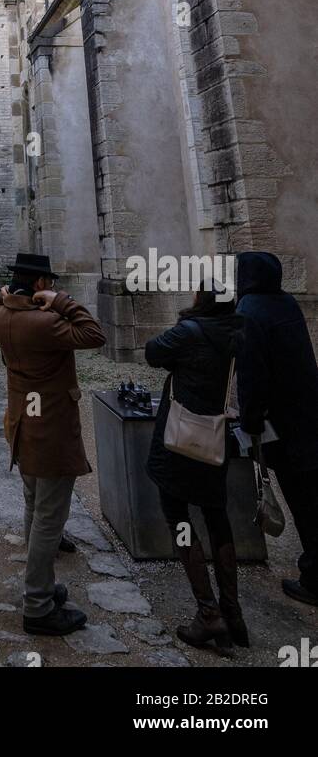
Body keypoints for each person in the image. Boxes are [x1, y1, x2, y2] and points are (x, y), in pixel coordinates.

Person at [0, 253, 106, 637]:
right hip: (51, 429)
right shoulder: (44, 323)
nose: (53, 288)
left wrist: (11, 298)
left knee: (33, 505)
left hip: (23, 426)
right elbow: (94, 334)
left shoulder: (0, 316)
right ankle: (38, 604)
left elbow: (2, 303)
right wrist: (61, 302)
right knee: (49, 519)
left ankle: (41, 583)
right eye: (50, 283)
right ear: (40, 285)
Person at [144, 283, 245, 654]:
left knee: (179, 519)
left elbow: (153, 352)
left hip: (182, 439)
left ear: (201, 301)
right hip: (214, 437)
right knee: (217, 517)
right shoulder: (236, 332)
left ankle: (208, 612)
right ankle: (233, 612)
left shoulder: (189, 332)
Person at [236, 250, 318, 607]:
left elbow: (252, 376)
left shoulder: (248, 313)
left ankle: (315, 578)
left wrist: (250, 422)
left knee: (304, 501)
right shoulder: (286, 304)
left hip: (283, 424)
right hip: (309, 413)